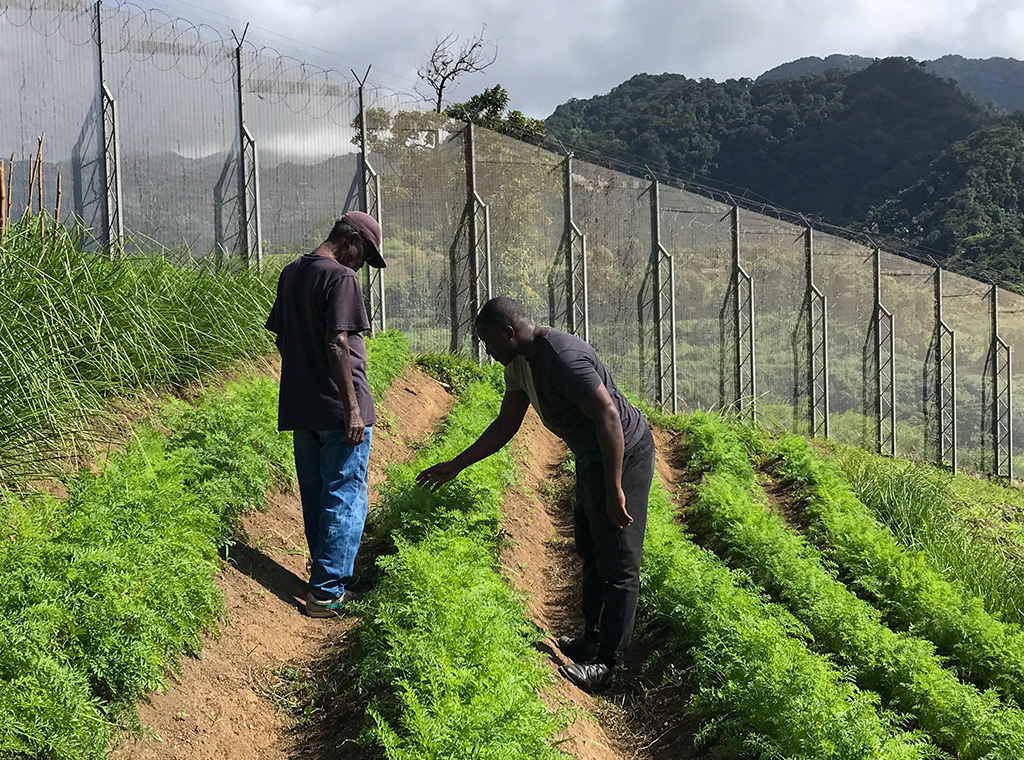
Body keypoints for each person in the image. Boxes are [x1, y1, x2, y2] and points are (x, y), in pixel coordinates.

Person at [417, 296, 655, 692]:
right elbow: (506, 424)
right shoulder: (519, 365)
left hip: (623, 454)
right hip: (593, 455)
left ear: (510, 333)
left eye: (491, 345)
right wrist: (457, 464)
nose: (489, 354)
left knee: (619, 559)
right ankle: (592, 638)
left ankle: (608, 666)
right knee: (591, 547)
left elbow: (609, 417)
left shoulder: (562, 359)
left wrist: (615, 490)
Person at [265, 211, 386, 618]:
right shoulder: (341, 278)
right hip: (340, 410)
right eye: (364, 254)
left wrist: (308, 380)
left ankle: (323, 577)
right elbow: (338, 342)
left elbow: (284, 339)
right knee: (345, 495)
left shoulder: (293, 272)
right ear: (350, 239)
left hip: (304, 406)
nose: (362, 265)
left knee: (317, 494)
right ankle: (328, 591)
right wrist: (352, 409)